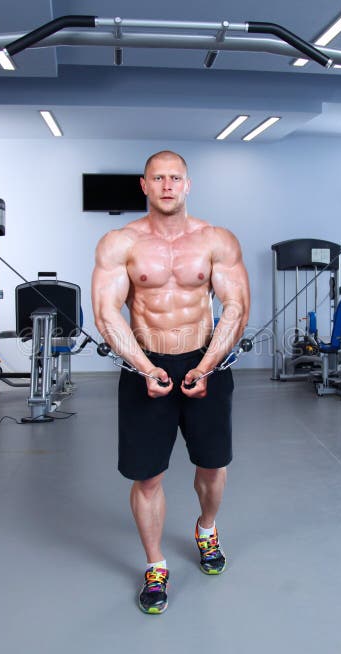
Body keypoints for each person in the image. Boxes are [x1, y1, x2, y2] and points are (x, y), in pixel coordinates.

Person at [91, 150, 250, 614]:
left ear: (188, 184)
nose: (166, 185)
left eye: (174, 178)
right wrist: (143, 366)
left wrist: (208, 365)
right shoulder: (119, 243)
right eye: (157, 178)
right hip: (146, 362)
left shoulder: (216, 239)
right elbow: (106, 313)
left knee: (213, 466)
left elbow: (236, 307)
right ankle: (156, 564)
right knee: (147, 476)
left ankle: (206, 527)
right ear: (144, 185)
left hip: (206, 359)